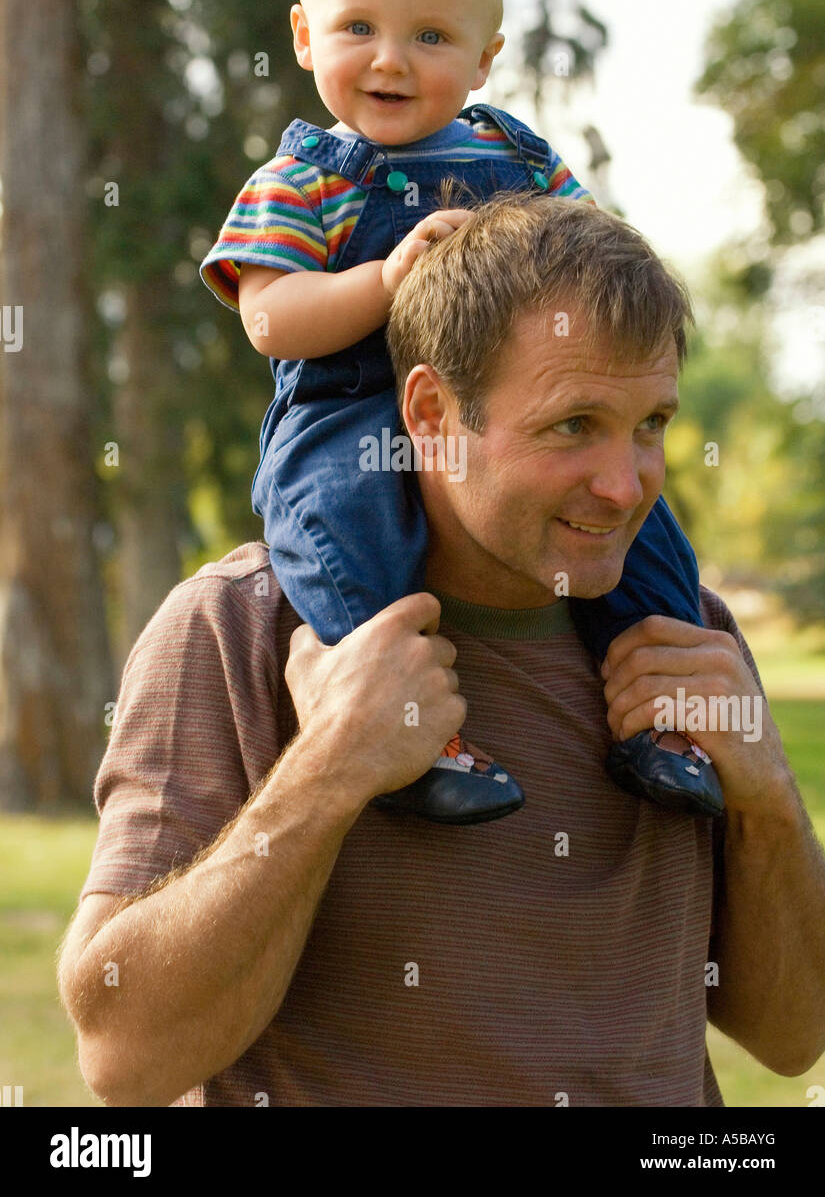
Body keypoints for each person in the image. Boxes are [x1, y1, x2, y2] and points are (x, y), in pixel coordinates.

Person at [58, 193, 825, 1108]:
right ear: (429, 410)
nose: (626, 487)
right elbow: (124, 1060)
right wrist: (331, 766)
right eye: (572, 425)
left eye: (650, 425)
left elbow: (791, 1037)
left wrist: (767, 797)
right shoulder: (239, 628)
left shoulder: (686, 637)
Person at [198, 0, 721, 824]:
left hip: (505, 408)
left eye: (432, 38)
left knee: (645, 542)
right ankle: (406, 723)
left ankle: (655, 715)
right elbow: (270, 319)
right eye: (358, 26)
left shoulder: (518, 161)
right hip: (350, 402)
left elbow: (595, 258)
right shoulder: (303, 178)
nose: (391, 59)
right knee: (340, 527)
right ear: (304, 35)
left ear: (485, 59)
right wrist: (384, 282)